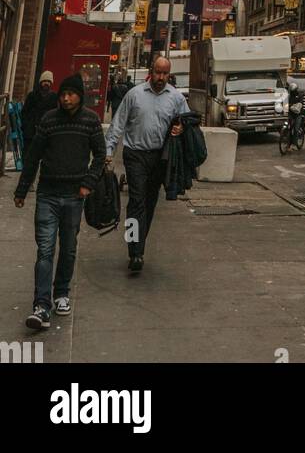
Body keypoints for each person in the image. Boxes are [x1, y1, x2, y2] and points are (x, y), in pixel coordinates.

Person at [13, 73, 106, 330]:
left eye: (71, 94)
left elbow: (100, 155)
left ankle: (61, 293)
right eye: (63, 94)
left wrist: (88, 183)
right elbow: (33, 156)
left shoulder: (90, 121)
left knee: (68, 247)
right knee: (44, 249)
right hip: (47, 193)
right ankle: (41, 306)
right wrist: (22, 189)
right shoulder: (49, 120)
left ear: (80, 95)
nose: (66, 98)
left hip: (75, 196)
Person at [105, 56, 190, 274]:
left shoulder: (176, 98)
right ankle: (133, 251)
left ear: (168, 74)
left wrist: (181, 128)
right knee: (136, 202)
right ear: (151, 71)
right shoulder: (134, 95)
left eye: (165, 73)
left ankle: (139, 247)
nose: (160, 77)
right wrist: (108, 152)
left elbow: (188, 122)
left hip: (159, 158)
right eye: (158, 72)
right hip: (135, 155)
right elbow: (117, 124)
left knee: (150, 204)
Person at [21, 71, 59, 150]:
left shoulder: (54, 97)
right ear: (41, 82)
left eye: (48, 81)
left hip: (46, 129)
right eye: (44, 81)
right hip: (31, 130)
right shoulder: (32, 95)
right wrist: (26, 125)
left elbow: (56, 113)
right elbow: (25, 112)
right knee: (29, 151)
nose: (46, 83)